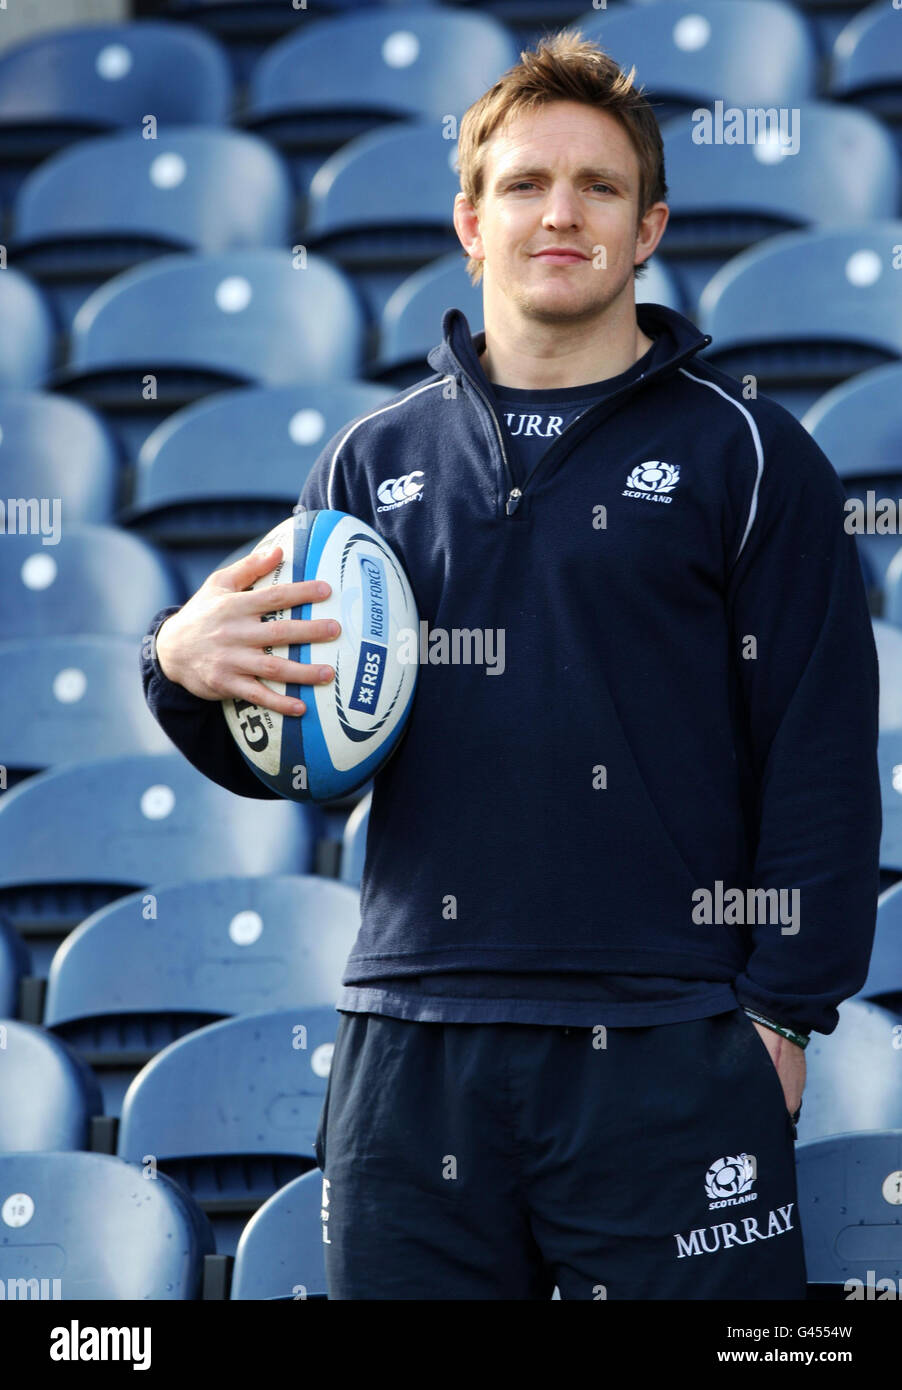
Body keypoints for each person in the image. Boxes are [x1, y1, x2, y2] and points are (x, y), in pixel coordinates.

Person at [140, 30, 882, 1299]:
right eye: (525, 184)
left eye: (597, 189)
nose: (560, 212)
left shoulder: (749, 455)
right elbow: (301, 755)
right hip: (414, 1040)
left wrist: (777, 1016)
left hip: (669, 1037)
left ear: (646, 230)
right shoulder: (368, 464)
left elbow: (816, 751)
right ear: (467, 224)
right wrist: (181, 669)